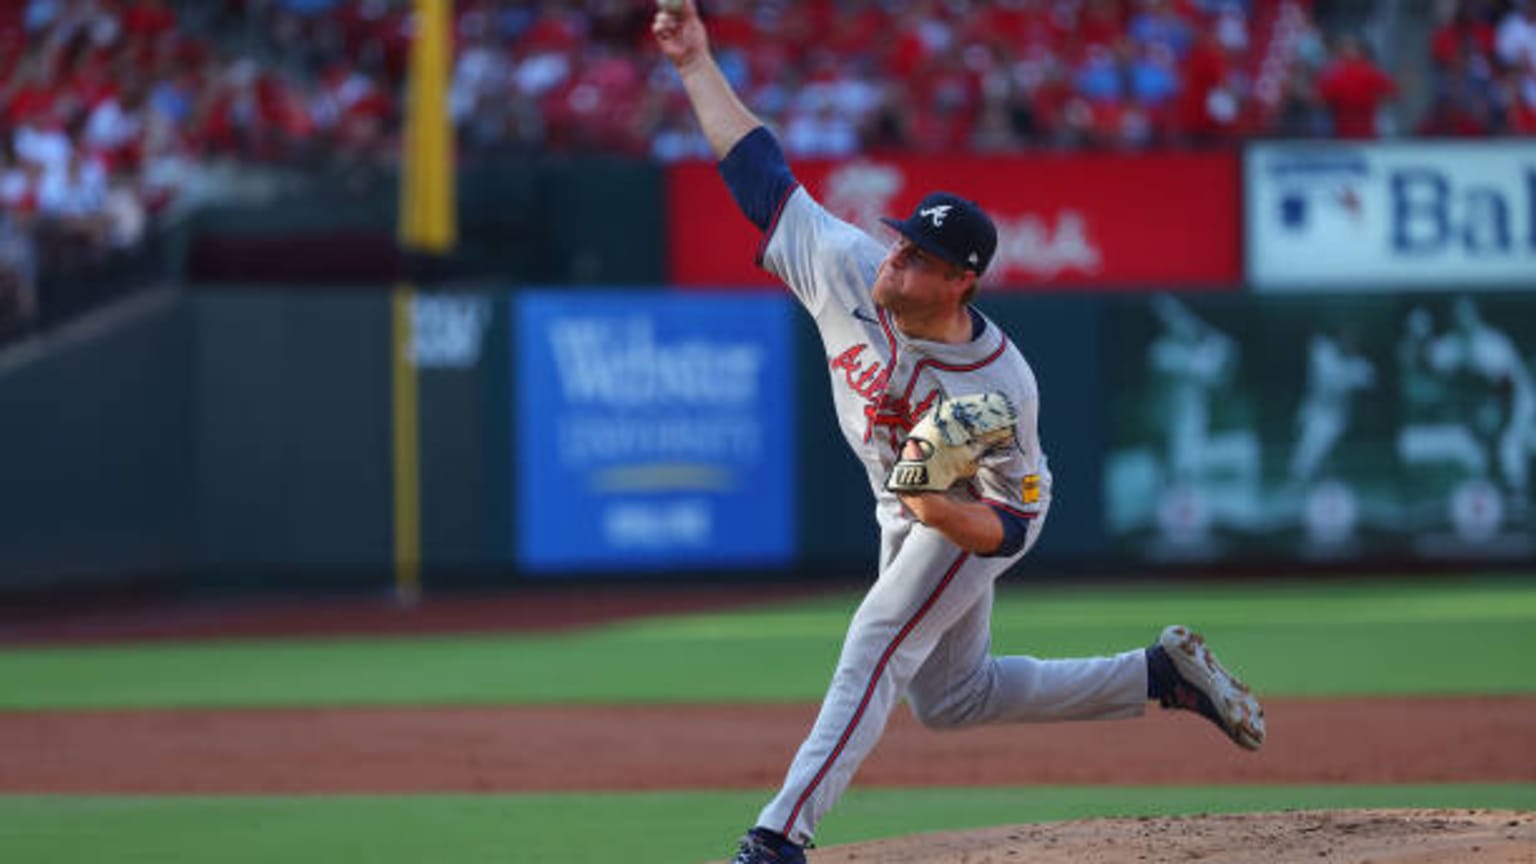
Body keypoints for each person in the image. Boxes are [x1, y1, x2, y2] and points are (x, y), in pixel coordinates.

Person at [650, 4, 1266, 862]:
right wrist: (693, 65)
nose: (891, 257)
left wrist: (935, 508)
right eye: (899, 243)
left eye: (914, 257)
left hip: (981, 511)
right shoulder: (847, 268)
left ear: (959, 284)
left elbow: (1002, 527)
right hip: (905, 500)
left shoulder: (996, 392)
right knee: (952, 699)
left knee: (877, 639)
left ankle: (777, 838)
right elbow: (758, 173)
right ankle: (1157, 676)